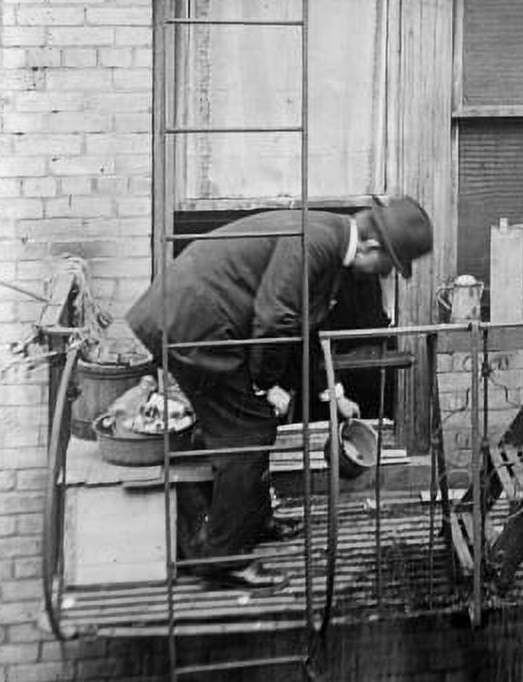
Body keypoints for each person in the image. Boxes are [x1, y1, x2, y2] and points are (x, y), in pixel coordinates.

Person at [127, 194, 433, 590]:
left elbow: (303, 328)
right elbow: (275, 319)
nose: (385, 275)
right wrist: (265, 383)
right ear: (372, 247)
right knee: (247, 431)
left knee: (244, 426)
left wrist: (331, 393)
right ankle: (224, 558)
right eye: (388, 267)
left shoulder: (331, 243)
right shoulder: (316, 243)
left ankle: (244, 524)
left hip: (198, 321)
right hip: (191, 323)